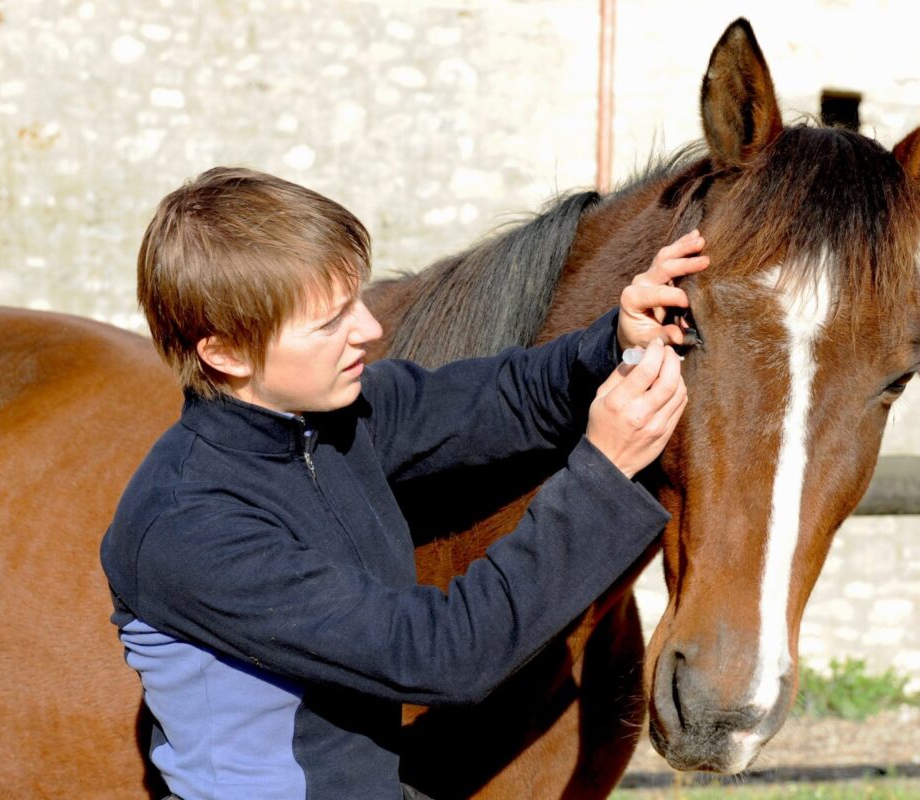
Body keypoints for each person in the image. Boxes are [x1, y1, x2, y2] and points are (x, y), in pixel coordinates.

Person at [100, 166, 708, 800]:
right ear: (224, 352)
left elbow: (503, 398)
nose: (367, 330)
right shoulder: (189, 527)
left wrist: (618, 339)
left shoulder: (328, 423)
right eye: (329, 322)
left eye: (356, 301)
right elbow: (441, 656)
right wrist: (603, 476)